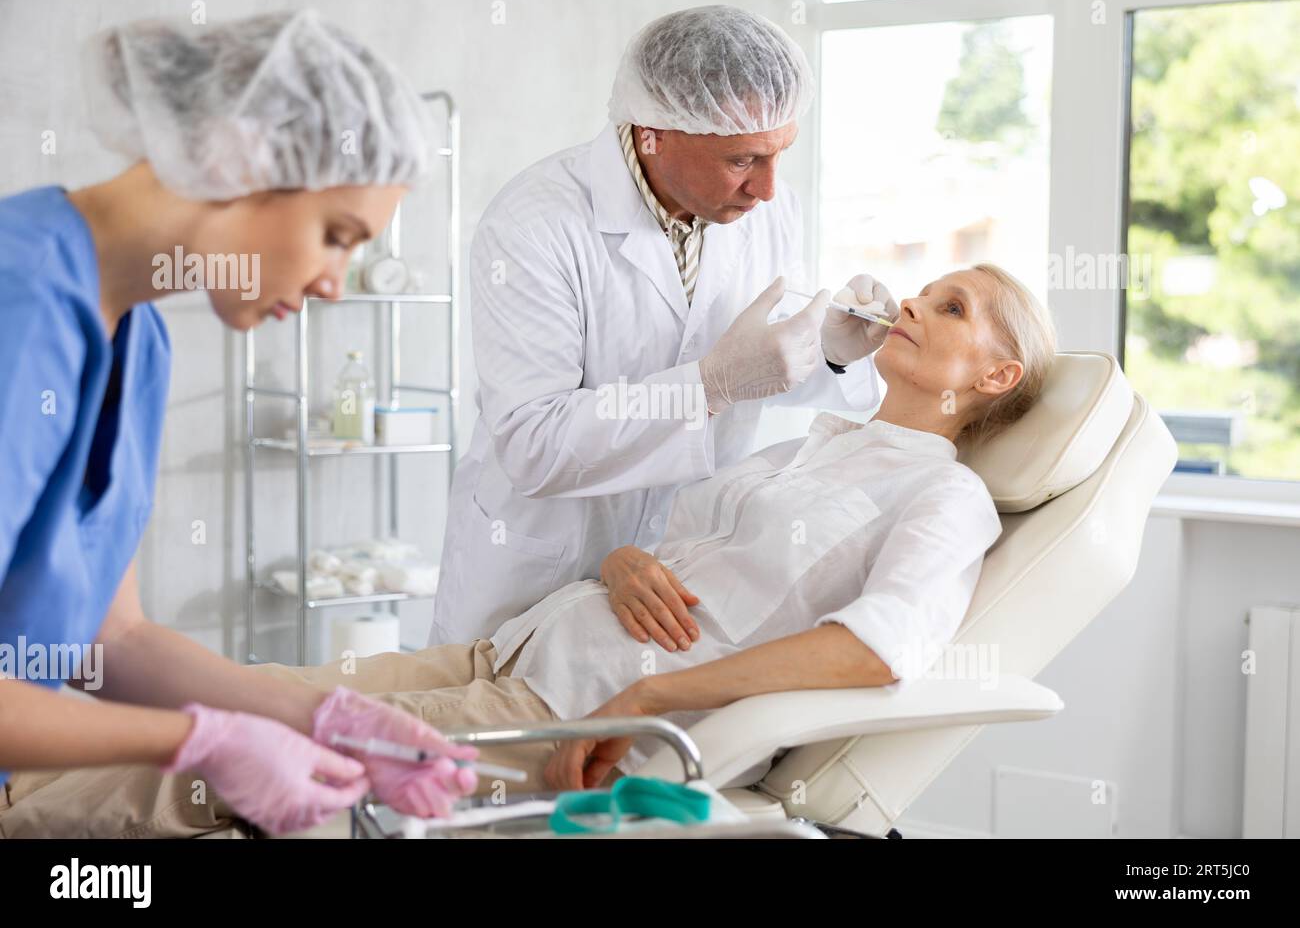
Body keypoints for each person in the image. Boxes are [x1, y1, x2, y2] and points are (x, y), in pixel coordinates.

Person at [0, 264, 1056, 837]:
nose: (913, 301)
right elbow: (673, 554)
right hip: (503, 653)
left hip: (564, 710)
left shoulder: (947, 498)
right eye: (927, 288)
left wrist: (646, 696)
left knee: (230, 770)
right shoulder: (812, 439)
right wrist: (618, 562)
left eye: (953, 307)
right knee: (258, 690)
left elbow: (873, 648)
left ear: (997, 376)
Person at [0, 10, 478, 837]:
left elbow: (111, 641)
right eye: (336, 236)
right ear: (237, 159)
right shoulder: (21, 296)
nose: (334, 284)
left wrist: (323, 715)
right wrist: (203, 742)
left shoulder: (137, 337)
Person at [432, 5, 902, 645]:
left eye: (779, 154)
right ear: (654, 132)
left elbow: (758, 357)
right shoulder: (534, 225)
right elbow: (532, 443)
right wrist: (709, 385)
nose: (766, 189)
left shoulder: (768, 210)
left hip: (680, 563)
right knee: (507, 731)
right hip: (542, 562)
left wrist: (831, 352)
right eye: (743, 160)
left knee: (640, 733)